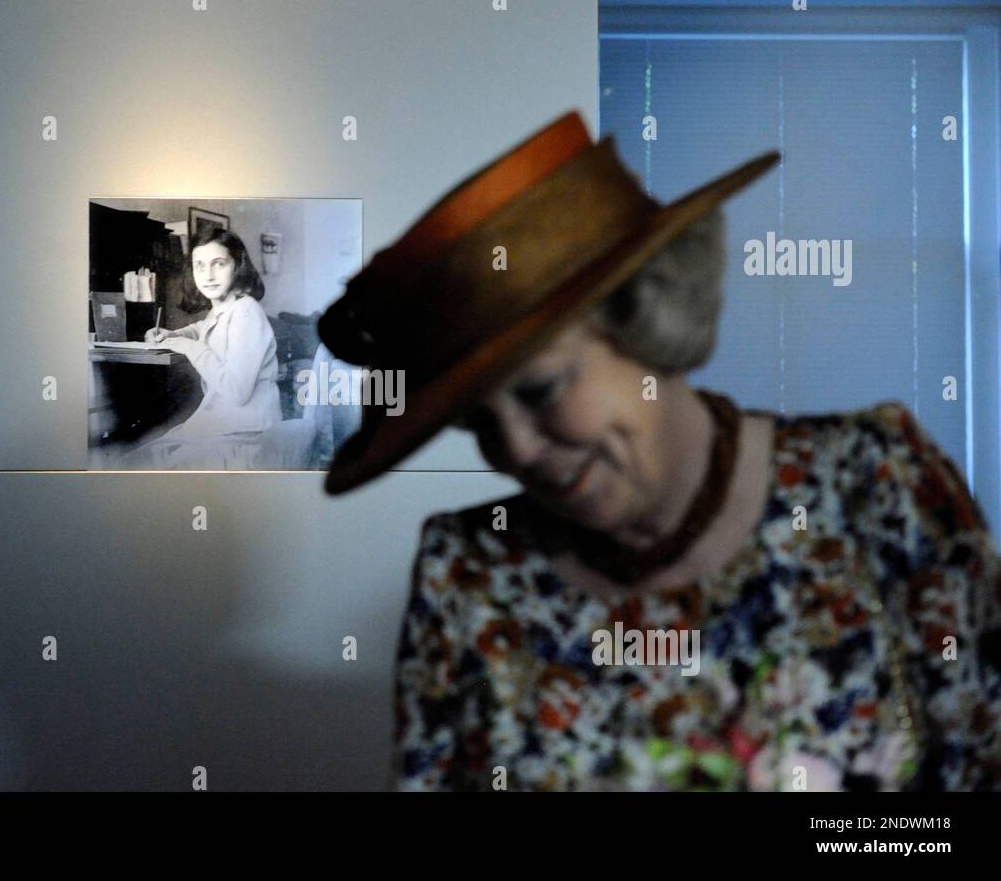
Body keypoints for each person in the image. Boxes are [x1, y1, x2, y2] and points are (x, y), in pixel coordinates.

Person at [315, 110, 1001, 791]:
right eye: (478, 422)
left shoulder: (876, 479)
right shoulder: (466, 572)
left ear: (650, 319)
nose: (516, 450)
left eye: (541, 388)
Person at [138, 226, 283, 469]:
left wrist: (188, 346)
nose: (209, 275)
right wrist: (175, 333)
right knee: (145, 456)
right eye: (200, 265)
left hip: (247, 435)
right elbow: (206, 327)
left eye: (219, 264)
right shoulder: (226, 308)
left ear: (237, 266)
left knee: (145, 463)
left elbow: (237, 390)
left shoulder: (246, 312)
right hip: (226, 425)